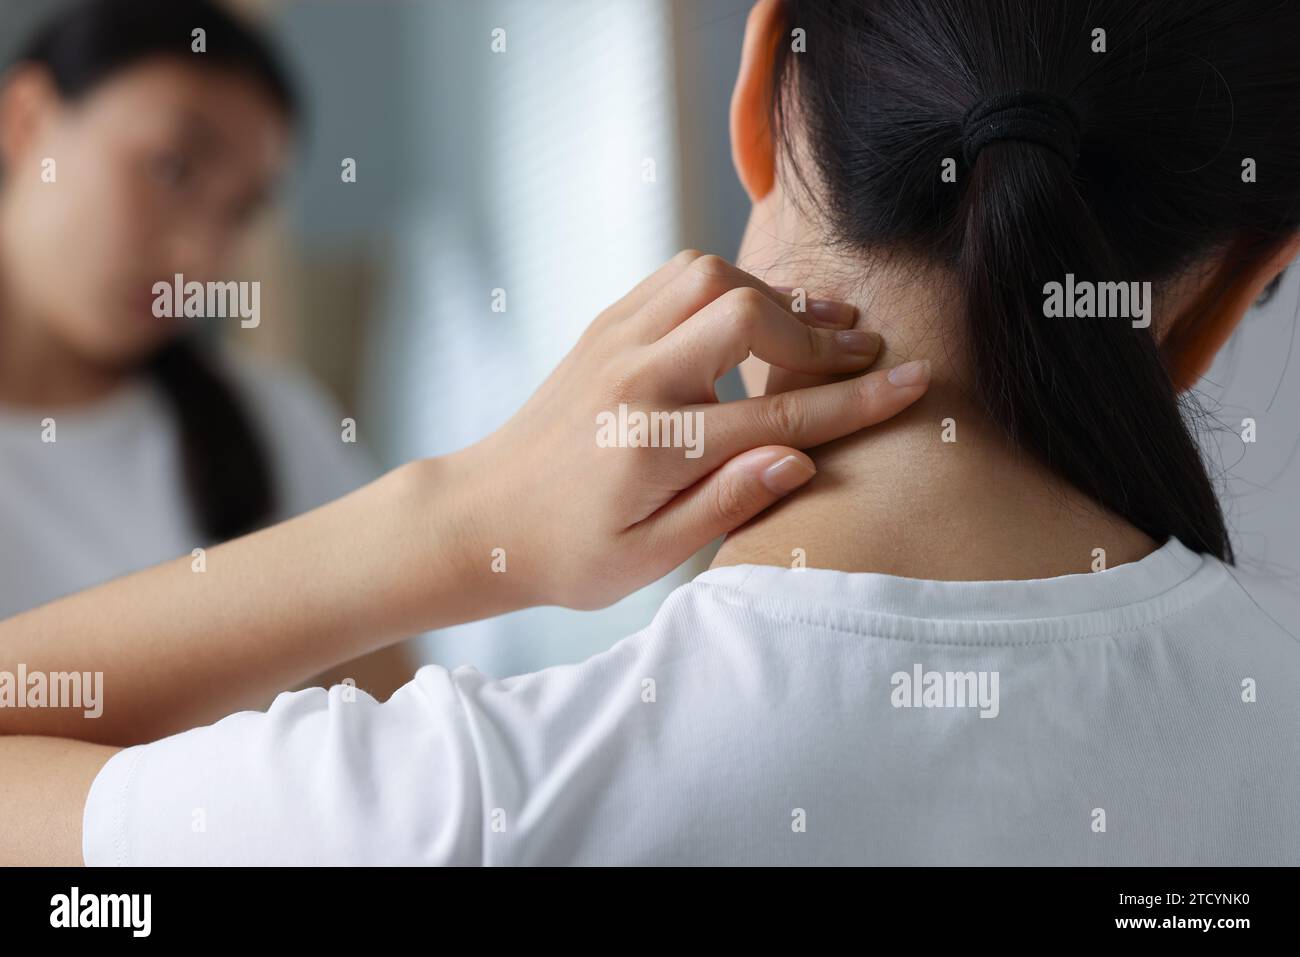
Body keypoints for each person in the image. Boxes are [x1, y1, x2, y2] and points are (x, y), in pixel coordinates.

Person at [2, 0, 1298, 866]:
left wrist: (463, 519)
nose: (198, 246)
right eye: (171, 168)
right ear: (1244, 279)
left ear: (759, 87)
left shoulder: (453, 808)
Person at [0, 0, 414, 695]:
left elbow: (400, 736)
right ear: (28, 121)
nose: (198, 256)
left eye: (239, 211)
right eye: (171, 169)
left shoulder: (272, 425)